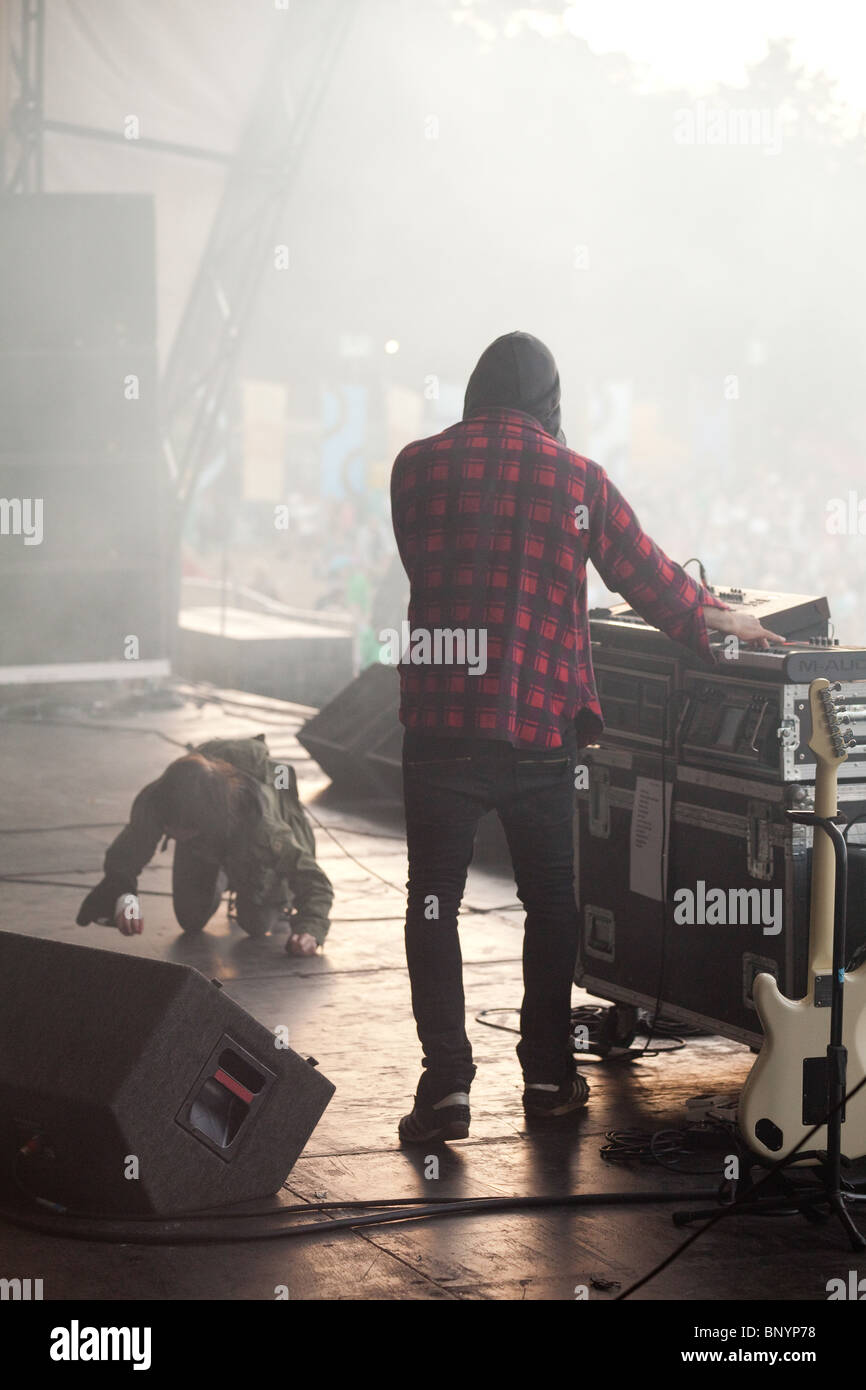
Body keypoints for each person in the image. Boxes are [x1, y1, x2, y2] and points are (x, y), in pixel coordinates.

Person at [390, 330, 783, 1143]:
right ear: (552, 403)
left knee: (432, 901)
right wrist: (736, 629)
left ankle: (446, 1088)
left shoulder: (415, 465)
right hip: (537, 730)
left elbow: (429, 565)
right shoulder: (579, 480)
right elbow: (663, 594)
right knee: (551, 905)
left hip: (439, 727)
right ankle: (545, 1075)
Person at [76, 735, 333, 956]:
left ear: (207, 823)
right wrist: (126, 897)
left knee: (256, 924)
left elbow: (313, 879)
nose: (168, 832)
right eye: (167, 826)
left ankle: (250, 882)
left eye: (177, 829)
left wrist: (310, 929)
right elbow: (128, 852)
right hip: (206, 842)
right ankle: (222, 873)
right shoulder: (162, 799)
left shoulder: (263, 828)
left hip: (249, 850)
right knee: (190, 918)